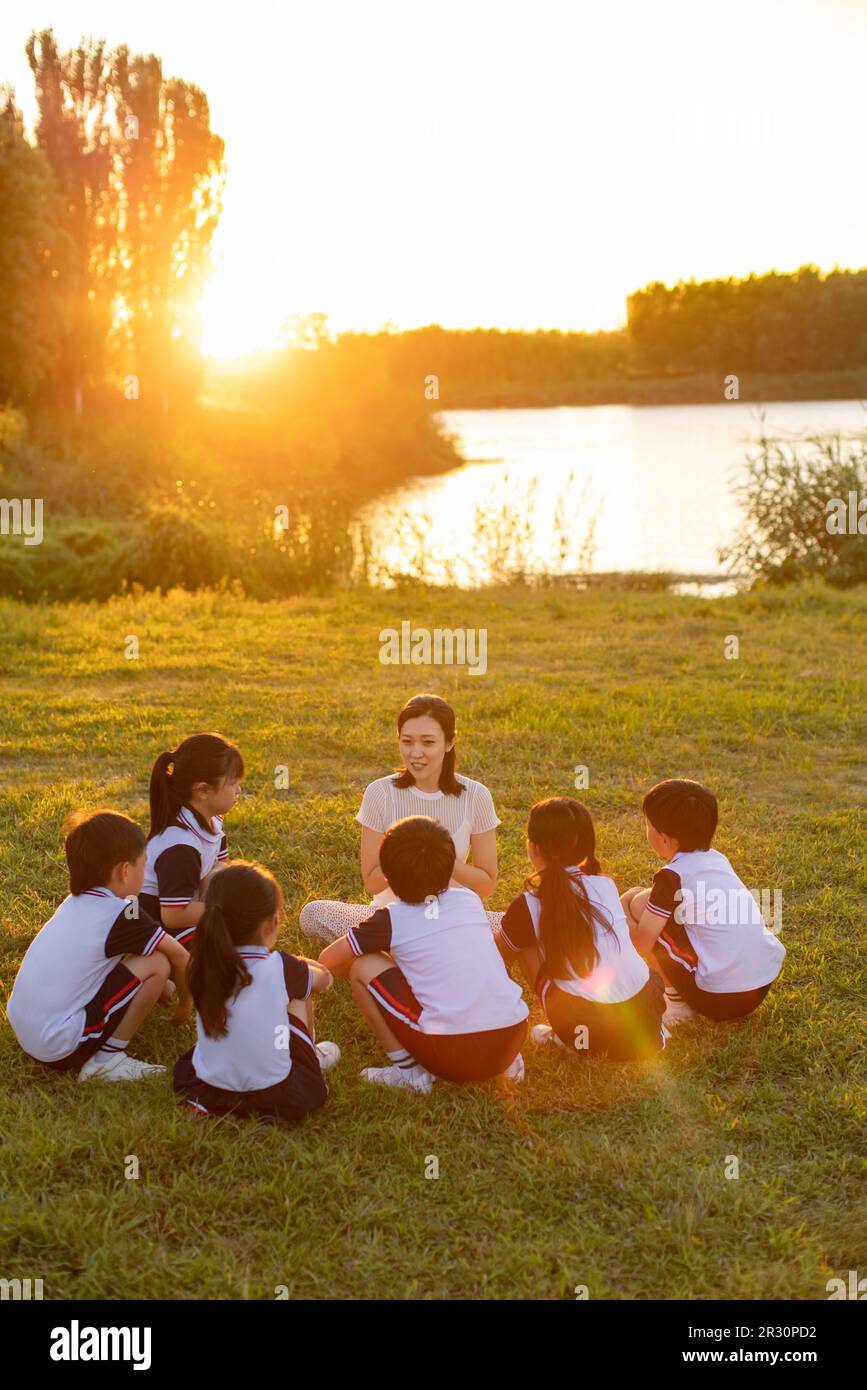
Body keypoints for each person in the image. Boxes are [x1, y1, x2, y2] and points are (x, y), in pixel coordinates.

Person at [319, 816, 528, 1094]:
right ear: (450, 864)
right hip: (514, 1034)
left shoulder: (391, 918)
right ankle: (508, 1065)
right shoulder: (470, 900)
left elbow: (327, 960)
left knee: (362, 967)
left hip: (451, 1052)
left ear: (388, 877)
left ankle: (409, 1073)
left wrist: (387, 965)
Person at [300, 694, 501, 945]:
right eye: (407, 742)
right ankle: (422, 951)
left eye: (428, 742)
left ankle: (395, 955)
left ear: (450, 742)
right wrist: (407, 848)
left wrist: (439, 855)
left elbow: (486, 885)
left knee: (516, 924)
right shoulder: (380, 792)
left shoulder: (476, 795)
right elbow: (373, 882)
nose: (416, 753)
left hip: (453, 917)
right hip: (390, 918)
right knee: (314, 913)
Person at [7, 810, 191, 1081]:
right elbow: (180, 955)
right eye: (144, 863)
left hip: (27, 1028)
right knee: (158, 964)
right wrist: (186, 1005)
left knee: (150, 958)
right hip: (58, 1045)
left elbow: (122, 950)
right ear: (125, 871)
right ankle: (107, 1060)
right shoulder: (123, 913)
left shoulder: (74, 903)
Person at [496, 798, 666, 1061]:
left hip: (590, 1030)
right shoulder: (605, 885)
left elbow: (498, 955)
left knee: (522, 944)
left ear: (533, 847)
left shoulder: (528, 904)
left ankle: (566, 1038)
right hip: (648, 1013)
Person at [173, 861, 338, 1124]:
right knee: (300, 990)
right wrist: (309, 968)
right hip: (275, 1093)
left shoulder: (200, 964)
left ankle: (212, 1098)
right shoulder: (282, 966)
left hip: (211, 1090)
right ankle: (313, 1056)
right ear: (270, 925)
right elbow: (322, 981)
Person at [621, 778, 786, 1027]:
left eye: (648, 825)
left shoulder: (671, 877)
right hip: (760, 985)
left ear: (664, 839)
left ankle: (677, 1007)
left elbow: (642, 945)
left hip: (720, 999)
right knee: (646, 905)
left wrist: (623, 906)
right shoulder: (717, 860)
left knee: (647, 920)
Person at [140, 732, 243, 944]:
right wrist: (226, 910)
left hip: (185, 911)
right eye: (232, 783)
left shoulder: (212, 821)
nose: (238, 789)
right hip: (153, 924)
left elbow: (220, 864)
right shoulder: (179, 845)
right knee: (225, 944)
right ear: (203, 790)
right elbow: (173, 915)